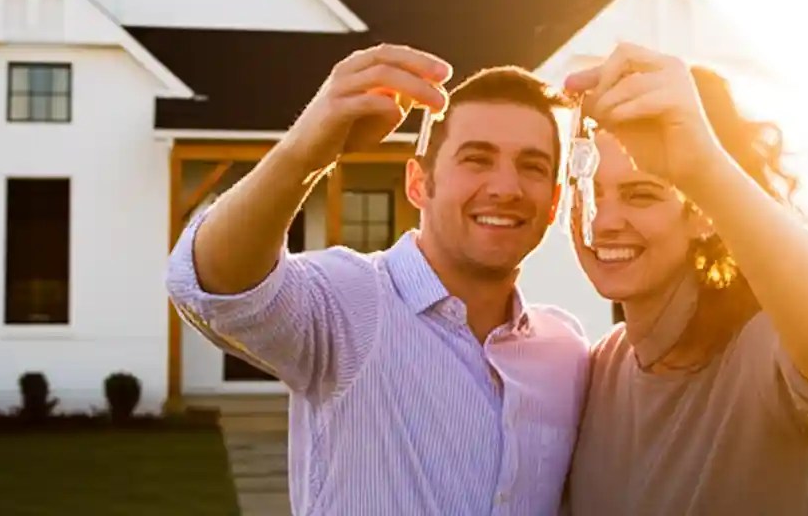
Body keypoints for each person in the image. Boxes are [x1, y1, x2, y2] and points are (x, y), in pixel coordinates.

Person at [166, 43, 590, 515]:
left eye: (531, 166)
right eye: (476, 159)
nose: (505, 188)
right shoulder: (352, 302)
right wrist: (307, 151)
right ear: (417, 183)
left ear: (554, 204)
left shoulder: (566, 353)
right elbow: (217, 283)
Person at [561, 43, 808, 515]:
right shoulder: (598, 371)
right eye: (592, 193)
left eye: (641, 195)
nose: (605, 221)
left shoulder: (761, 349)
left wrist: (702, 166)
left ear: (702, 215)